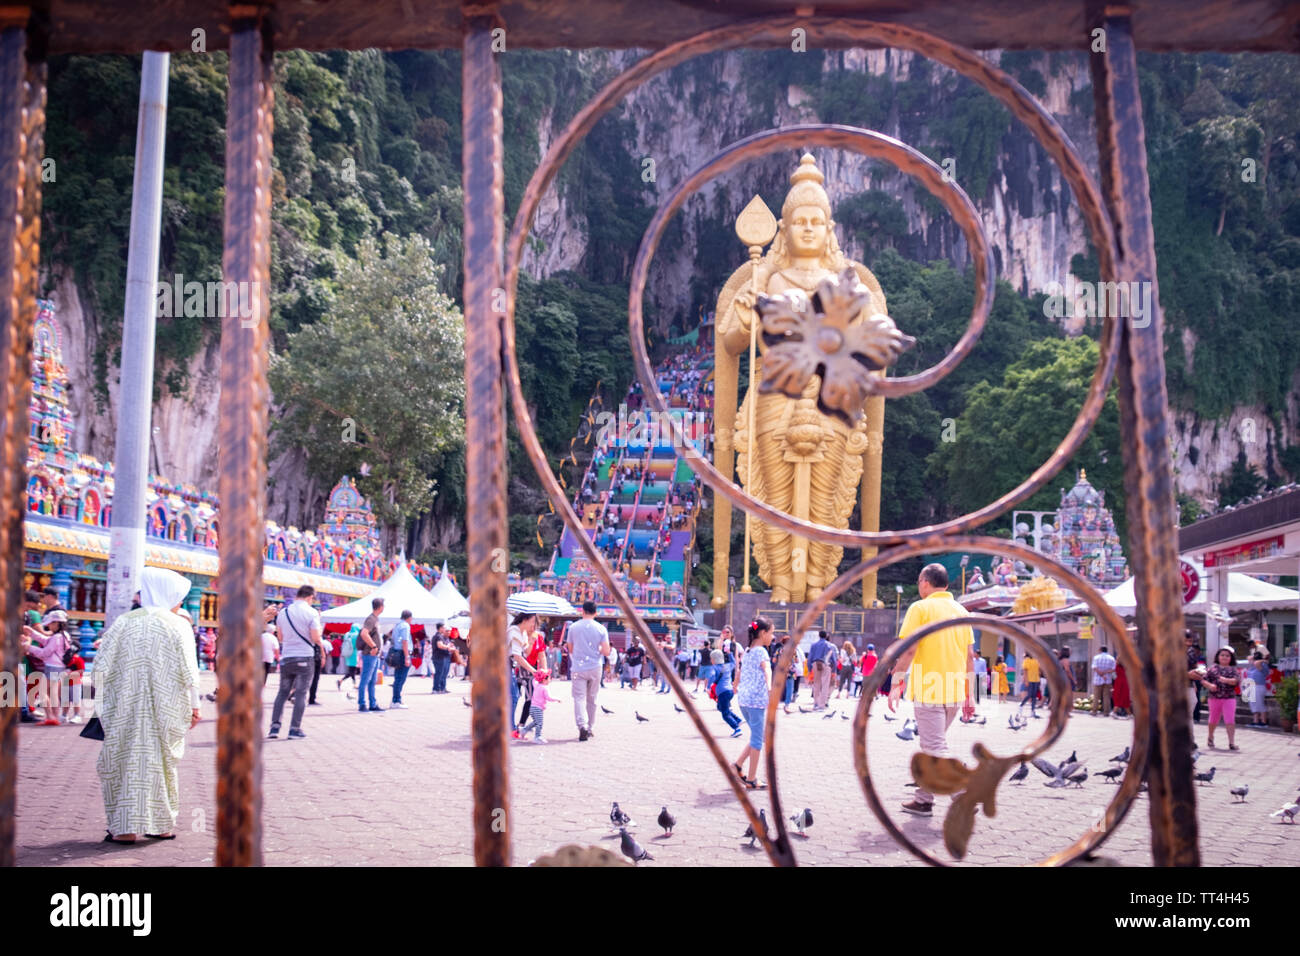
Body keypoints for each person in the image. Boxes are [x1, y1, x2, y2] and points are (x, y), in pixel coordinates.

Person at [94, 567, 201, 843]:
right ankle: (161, 825)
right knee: (161, 761)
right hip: (166, 706)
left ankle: (124, 828)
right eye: (178, 597)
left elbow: (100, 666)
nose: (179, 602)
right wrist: (195, 704)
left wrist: (106, 698)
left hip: (124, 705)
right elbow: (190, 670)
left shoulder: (124, 622)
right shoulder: (178, 624)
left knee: (123, 759)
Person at [887, 563, 975, 817]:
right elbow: (970, 656)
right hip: (955, 690)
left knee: (935, 747)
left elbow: (910, 649)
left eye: (919, 581)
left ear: (925, 581)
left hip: (930, 689)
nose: (918, 585)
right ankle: (923, 800)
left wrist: (896, 683)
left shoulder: (920, 608)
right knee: (931, 746)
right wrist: (971, 695)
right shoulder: (962, 611)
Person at [269, 584, 326, 739]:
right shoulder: (312, 612)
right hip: (305, 657)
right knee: (300, 693)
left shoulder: (283, 613)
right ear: (310, 597)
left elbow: (280, 638)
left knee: (282, 693)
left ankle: (274, 727)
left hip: (287, 657)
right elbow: (315, 637)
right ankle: (294, 729)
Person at [732, 618, 773, 788]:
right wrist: (770, 687)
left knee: (758, 736)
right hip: (756, 701)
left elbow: (740, 671)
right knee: (757, 740)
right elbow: (767, 669)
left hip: (744, 701)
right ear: (763, 633)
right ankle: (751, 778)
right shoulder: (762, 651)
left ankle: (737, 765)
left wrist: (735, 685)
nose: (772, 636)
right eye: (771, 633)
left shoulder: (748, 651)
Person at [566, 600, 610, 742]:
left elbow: (570, 648)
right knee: (592, 699)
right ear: (596, 612)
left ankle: (582, 726)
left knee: (579, 698)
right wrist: (596, 650)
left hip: (578, 667)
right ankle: (590, 727)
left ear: (582, 611)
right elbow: (606, 651)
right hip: (595, 667)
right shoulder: (601, 629)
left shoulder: (573, 627)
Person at [23, 609, 71, 724]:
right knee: (53, 693)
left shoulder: (57, 637)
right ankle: (54, 717)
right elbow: (46, 641)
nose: (49, 626)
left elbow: (45, 653)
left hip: (52, 667)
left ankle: (50, 717)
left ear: (57, 623)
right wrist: (32, 633)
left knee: (43, 691)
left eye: (51, 623)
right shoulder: (64, 635)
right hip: (60, 668)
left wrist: (28, 647)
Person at [507, 612, 540, 739]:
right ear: (525, 620)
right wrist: (533, 670)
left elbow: (526, 652)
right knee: (513, 696)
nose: (533, 625)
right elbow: (517, 656)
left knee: (513, 696)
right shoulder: (514, 632)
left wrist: (530, 639)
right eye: (532, 621)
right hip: (503, 665)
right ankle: (509, 729)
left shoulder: (520, 633)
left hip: (508, 666)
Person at [1201, 646, 1240, 750]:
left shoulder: (1233, 670)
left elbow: (1236, 681)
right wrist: (1209, 686)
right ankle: (1210, 737)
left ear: (1231, 658)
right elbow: (1203, 680)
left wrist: (1226, 680)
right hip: (1214, 697)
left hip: (1229, 698)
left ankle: (1231, 742)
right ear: (1217, 657)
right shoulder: (1212, 669)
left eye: (1227, 656)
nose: (1224, 657)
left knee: (1230, 719)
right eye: (1222, 655)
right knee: (1213, 718)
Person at [356, 597, 385, 713]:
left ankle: (373, 703)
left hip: (374, 655)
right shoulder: (371, 619)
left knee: (372, 680)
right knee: (365, 679)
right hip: (370, 654)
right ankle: (362, 703)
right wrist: (373, 646)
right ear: (381, 607)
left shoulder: (375, 619)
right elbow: (364, 633)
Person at [518, 669, 560, 743]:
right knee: (539, 723)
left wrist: (538, 674)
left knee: (536, 722)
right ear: (544, 679)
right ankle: (537, 737)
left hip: (532, 708)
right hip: (538, 709)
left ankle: (524, 730)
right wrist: (557, 699)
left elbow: (534, 679)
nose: (550, 680)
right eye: (549, 678)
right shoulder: (544, 688)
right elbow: (549, 698)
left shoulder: (536, 685)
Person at [710, 646, 742, 737]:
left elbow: (712, 677)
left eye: (711, 658)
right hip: (730, 691)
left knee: (725, 714)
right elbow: (734, 663)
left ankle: (737, 728)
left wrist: (709, 686)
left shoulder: (714, 668)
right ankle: (738, 719)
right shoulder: (728, 666)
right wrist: (730, 654)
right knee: (720, 707)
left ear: (714, 659)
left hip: (722, 693)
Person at [389, 610, 414, 709]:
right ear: (409, 617)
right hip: (403, 653)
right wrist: (407, 657)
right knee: (401, 678)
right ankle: (396, 700)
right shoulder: (406, 626)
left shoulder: (397, 625)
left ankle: (395, 699)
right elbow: (405, 641)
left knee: (397, 677)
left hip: (397, 653)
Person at [808, 630, 836, 710]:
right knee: (825, 685)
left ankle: (816, 703)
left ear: (819, 636)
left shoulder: (814, 645)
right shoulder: (829, 645)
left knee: (816, 684)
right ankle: (822, 705)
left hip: (815, 664)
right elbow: (833, 658)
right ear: (826, 635)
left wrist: (810, 668)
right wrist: (834, 670)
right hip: (826, 664)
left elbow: (810, 658)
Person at [1091, 644, 1117, 717]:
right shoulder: (1111, 658)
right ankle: (1106, 712)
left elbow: (1094, 667)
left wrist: (1101, 674)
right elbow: (1113, 669)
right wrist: (1105, 673)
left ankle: (1094, 712)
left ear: (1100, 650)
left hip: (1097, 679)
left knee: (1096, 696)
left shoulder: (1096, 657)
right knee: (1106, 697)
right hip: (1107, 680)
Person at [1245, 653, 1269, 727]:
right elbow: (1248, 658)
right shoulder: (1252, 666)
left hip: (1258, 686)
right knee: (1253, 705)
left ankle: (1263, 722)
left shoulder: (1262, 665)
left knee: (1260, 704)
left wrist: (1263, 660)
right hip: (1251, 686)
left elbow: (1256, 663)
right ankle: (1255, 721)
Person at [1185, 630, 1203, 724]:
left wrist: (1198, 673)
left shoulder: (1191, 652)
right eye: (1185, 640)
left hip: (1189, 686)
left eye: (1190, 641)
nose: (1188, 643)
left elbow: (1194, 666)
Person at [337, 624, 360, 697]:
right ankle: (353, 683)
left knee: (351, 670)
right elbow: (358, 645)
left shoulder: (347, 634)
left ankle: (343, 681)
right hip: (354, 654)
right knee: (352, 670)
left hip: (347, 654)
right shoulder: (356, 635)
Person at [430, 623, 454, 694]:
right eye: (444, 628)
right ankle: (436, 689)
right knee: (439, 673)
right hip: (439, 657)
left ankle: (442, 688)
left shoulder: (441, 636)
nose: (445, 629)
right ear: (440, 628)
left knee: (443, 673)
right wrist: (448, 647)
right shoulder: (438, 636)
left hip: (444, 657)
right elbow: (440, 645)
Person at [1018, 651, 1041, 718]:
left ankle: (1032, 711)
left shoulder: (1037, 660)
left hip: (1036, 680)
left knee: (1034, 696)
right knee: (1029, 695)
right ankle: (1021, 705)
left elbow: (1039, 670)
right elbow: (1025, 671)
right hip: (1030, 680)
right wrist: (1026, 681)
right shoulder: (1026, 660)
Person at [261, 620, 280, 687]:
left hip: (260, 656)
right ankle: (263, 683)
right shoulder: (273, 638)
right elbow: (276, 649)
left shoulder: (261, 636)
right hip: (268, 656)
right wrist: (278, 657)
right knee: (266, 670)